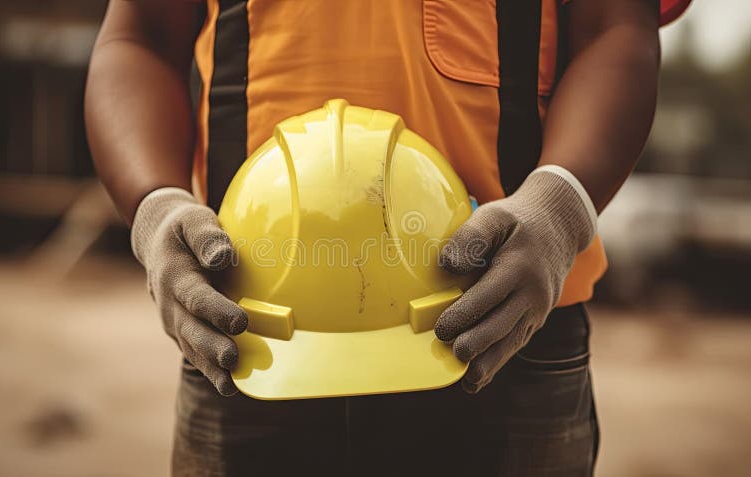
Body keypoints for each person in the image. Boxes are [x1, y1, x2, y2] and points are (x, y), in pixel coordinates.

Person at [85, 0, 690, 475]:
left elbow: (614, 26)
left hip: (506, 324)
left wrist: (560, 207)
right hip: (249, 335)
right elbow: (139, 36)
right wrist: (155, 209)